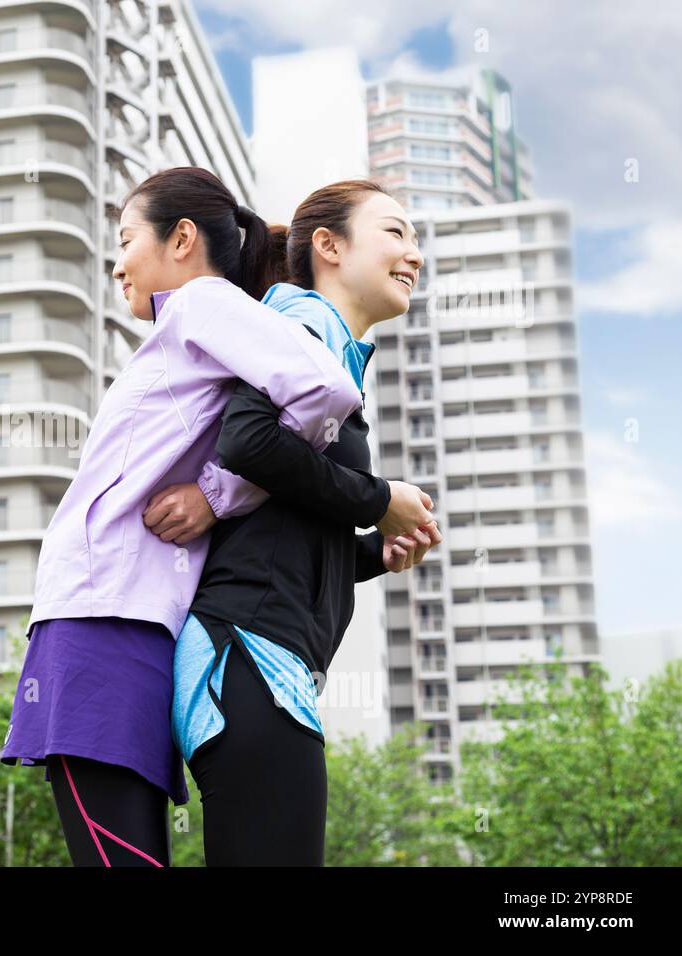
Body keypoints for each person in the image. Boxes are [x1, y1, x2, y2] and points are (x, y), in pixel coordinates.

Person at [0, 168, 433, 866]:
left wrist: (229, 497)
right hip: (120, 620)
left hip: (114, 622)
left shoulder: (199, 306)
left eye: (126, 239)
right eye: (395, 232)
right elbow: (285, 436)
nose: (117, 261)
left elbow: (292, 432)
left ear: (183, 239)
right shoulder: (215, 315)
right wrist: (369, 506)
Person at [158, 179, 444, 865]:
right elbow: (247, 442)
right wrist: (379, 498)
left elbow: (282, 529)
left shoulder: (329, 350)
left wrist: (377, 549)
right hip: (246, 652)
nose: (415, 254)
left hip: (268, 656)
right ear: (330, 246)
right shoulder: (298, 329)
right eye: (396, 233)